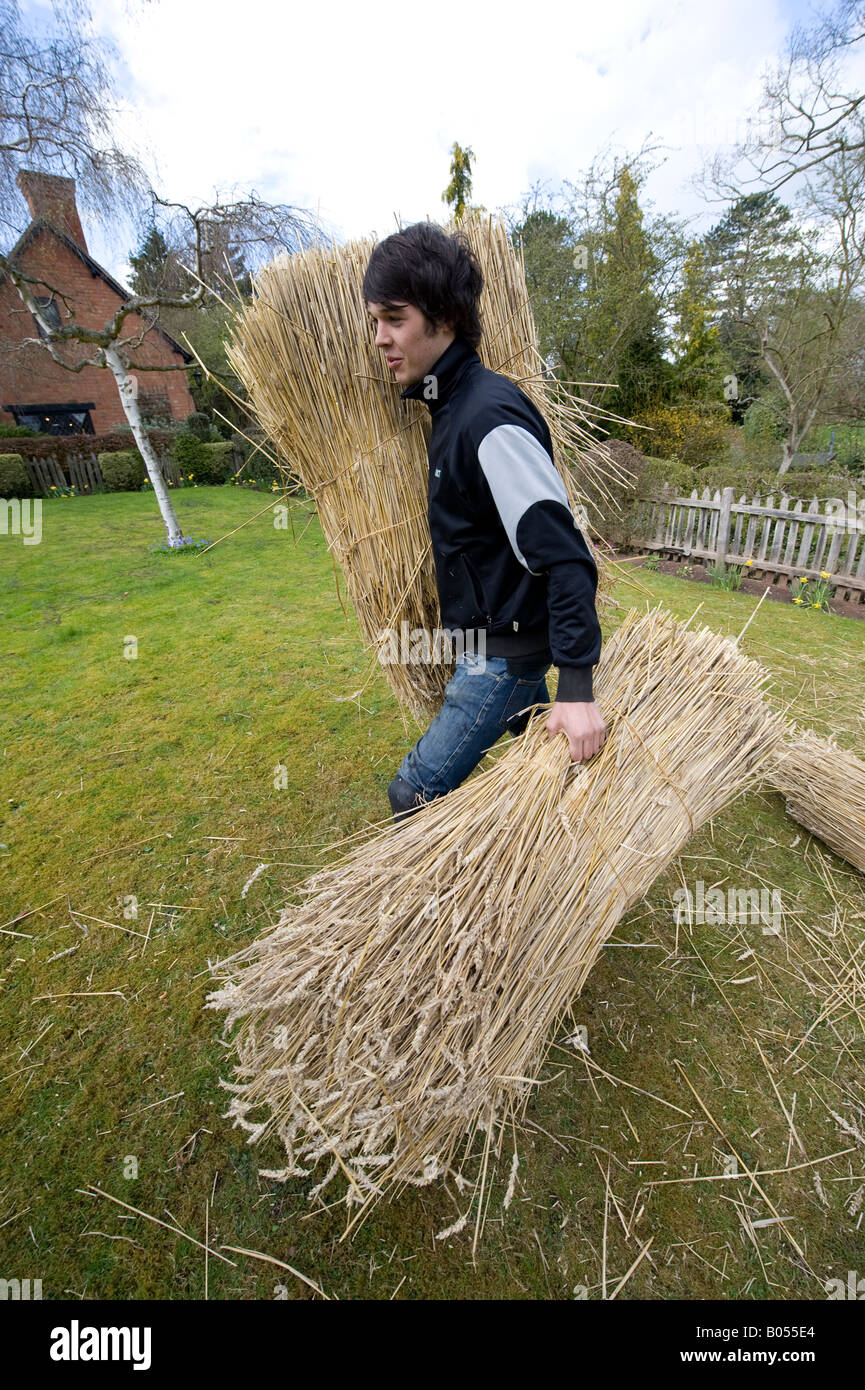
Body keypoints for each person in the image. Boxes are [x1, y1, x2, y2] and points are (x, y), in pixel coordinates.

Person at [362, 221, 607, 825]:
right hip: (493, 642)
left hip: (501, 658)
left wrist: (577, 691)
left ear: (443, 317)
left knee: (412, 794)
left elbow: (567, 557)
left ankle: (421, 910)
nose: (380, 338)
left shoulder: (486, 416)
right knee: (544, 769)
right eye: (375, 321)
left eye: (394, 319)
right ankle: (555, 856)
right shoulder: (451, 406)